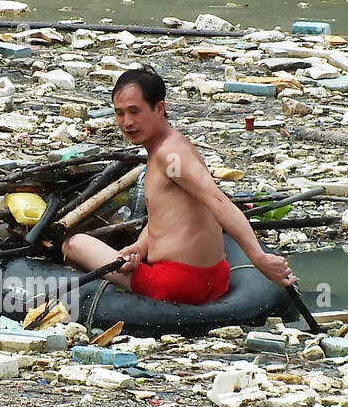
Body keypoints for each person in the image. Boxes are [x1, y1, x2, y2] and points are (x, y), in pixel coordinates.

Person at [61, 68, 296, 304]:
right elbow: (165, 215)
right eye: (119, 113)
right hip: (214, 279)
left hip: (175, 284)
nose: (127, 122)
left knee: (74, 244)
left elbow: (218, 201)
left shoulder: (170, 155)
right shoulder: (174, 145)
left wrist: (258, 257)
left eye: (135, 111)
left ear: (160, 108)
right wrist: (140, 248)